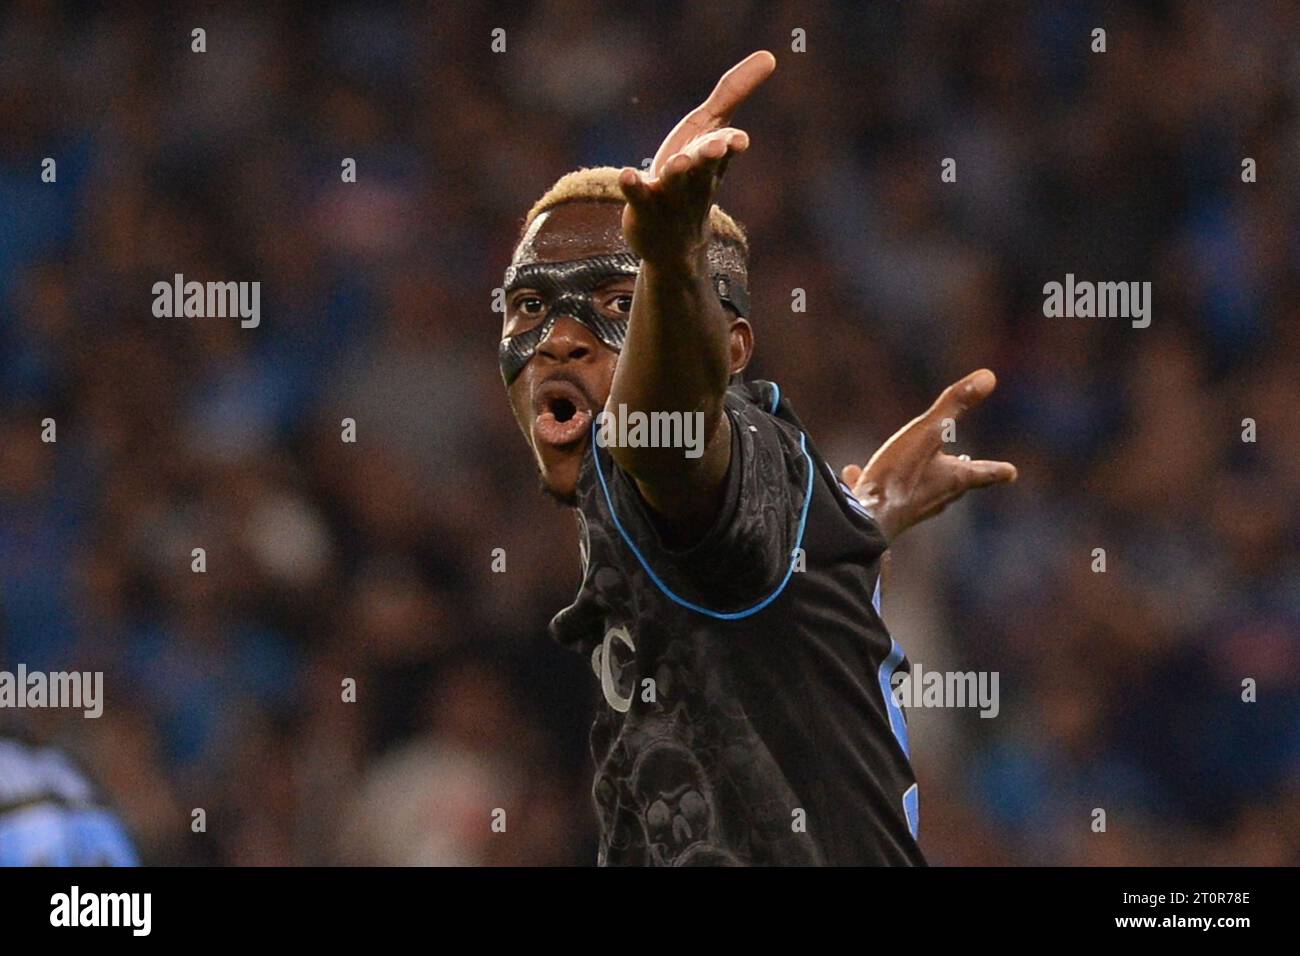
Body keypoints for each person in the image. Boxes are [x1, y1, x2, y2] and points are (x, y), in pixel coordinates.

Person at [498, 51, 1016, 865]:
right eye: (530, 305)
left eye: (615, 305)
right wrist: (856, 521)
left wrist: (669, 267)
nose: (559, 337)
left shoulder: (697, 459)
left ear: (729, 349)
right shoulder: (770, 513)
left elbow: (660, 439)